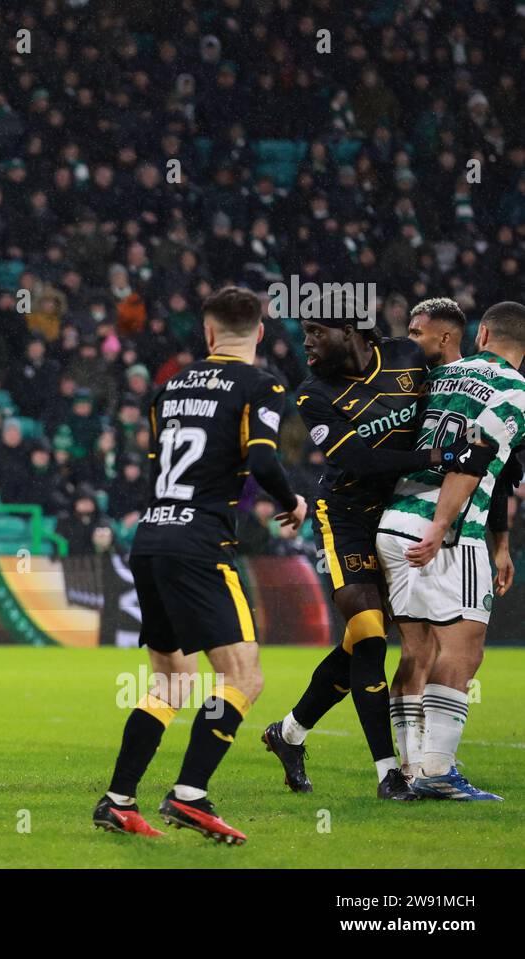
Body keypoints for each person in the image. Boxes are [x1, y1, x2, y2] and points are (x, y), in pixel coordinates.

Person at [94, 287, 308, 844]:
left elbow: (155, 467)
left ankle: (119, 800)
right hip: (199, 544)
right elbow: (262, 458)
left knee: (172, 680)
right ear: (259, 333)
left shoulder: (167, 389)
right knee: (244, 676)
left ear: (208, 333)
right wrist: (291, 503)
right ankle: (189, 794)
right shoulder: (260, 385)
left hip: (152, 537)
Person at [262, 299, 486, 800]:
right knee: (367, 635)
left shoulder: (407, 357)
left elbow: (455, 394)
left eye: (317, 331)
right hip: (343, 516)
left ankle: (289, 733)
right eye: (304, 334)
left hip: (400, 517)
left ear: (353, 331)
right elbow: (359, 460)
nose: (308, 343)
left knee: (362, 647)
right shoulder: (313, 394)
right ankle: (389, 773)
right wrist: (443, 454)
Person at [376, 300, 525, 800]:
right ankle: (439, 771)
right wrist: (441, 526)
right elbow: (475, 458)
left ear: (482, 334)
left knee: (417, 650)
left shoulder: (444, 373)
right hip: (444, 532)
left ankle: (412, 769)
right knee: (463, 648)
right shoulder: (513, 388)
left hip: (393, 521)